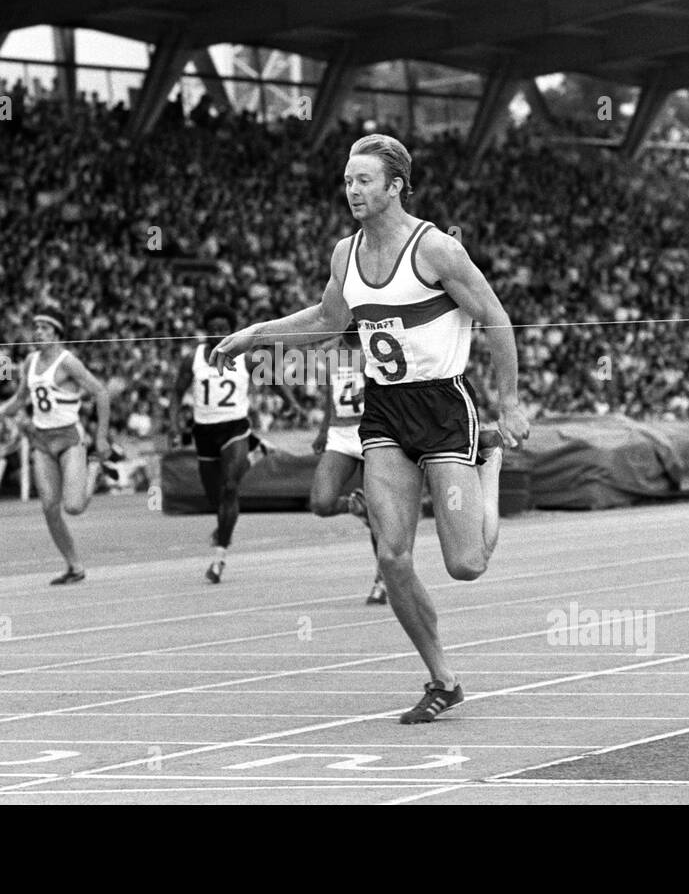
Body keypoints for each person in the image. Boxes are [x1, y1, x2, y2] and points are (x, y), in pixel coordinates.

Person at [209, 134, 528, 723]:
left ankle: (488, 467)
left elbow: (496, 317)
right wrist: (258, 332)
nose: (352, 190)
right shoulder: (344, 254)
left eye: (363, 181)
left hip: (442, 409)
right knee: (393, 556)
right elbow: (328, 322)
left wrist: (508, 404)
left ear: (395, 186)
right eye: (348, 180)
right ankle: (443, 678)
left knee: (466, 565)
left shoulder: (435, 250)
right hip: (383, 413)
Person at [0, 307, 110, 585]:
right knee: (49, 508)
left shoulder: (69, 362)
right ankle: (74, 566)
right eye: (36, 327)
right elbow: (21, 398)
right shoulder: (29, 361)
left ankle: (93, 469)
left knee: (74, 507)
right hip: (42, 440)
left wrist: (100, 438)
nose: (37, 332)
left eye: (44, 327)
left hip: (68, 438)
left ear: (56, 333)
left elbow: (100, 392)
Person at [171, 304, 257, 584]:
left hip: (235, 427)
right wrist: (174, 426)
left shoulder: (245, 357)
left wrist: (292, 404)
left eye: (223, 329)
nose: (218, 333)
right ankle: (223, 525)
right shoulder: (192, 359)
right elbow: (176, 393)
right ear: (205, 331)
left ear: (232, 330)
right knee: (215, 499)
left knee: (231, 487)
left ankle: (219, 557)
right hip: (204, 431)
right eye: (213, 329)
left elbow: (275, 379)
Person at [310, 323, 385, 605]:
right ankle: (357, 505)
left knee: (380, 516)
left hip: (374, 431)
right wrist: (323, 429)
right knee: (321, 502)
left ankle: (382, 578)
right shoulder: (329, 350)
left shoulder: (377, 343)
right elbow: (331, 391)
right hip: (340, 434)